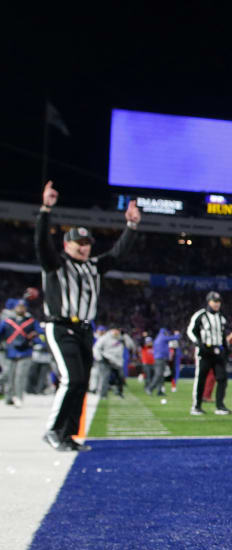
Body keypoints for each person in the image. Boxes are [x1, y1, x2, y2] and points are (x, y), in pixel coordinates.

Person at [35, 181, 140, 451]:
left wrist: (131, 227)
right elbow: (41, 244)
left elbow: (118, 254)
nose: (84, 248)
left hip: (84, 329)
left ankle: (69, 434)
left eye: (87, 243)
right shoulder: (55, 263)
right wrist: (46, 209)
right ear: (66, 244)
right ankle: (52, 431)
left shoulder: (93, 266)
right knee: (72, 378)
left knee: (81, 383)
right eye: (78, 243)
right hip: (60, 327)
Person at [187, 291, 231, 415]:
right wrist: (198, 343)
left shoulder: (221, 317)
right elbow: (190, 331)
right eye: (214, 301)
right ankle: (196, 406)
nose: (217, 304)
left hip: (218, 351)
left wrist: (226, 350)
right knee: (201, 378)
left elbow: (222, 336)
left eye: (219, 302)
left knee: (222, 378)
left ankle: (220, 406)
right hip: (204, 351)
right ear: (209, 302)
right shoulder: (201, 315)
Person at [1, 299, 38, 406]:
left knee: (20, 376)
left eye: (23, 306)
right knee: (8, 375)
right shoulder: (8, 321)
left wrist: (34, 336)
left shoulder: (31, 321)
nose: (20, 308)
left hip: (25, 351)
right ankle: (8, 397)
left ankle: (18, 397)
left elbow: (40, 333)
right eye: (19, 306)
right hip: (9, 351)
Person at [92, 327, 129, 397]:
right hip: (106, 360)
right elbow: (96, 348)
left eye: (118, 330)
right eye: (115, 330)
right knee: (105, 377)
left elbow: (125, 348)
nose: (117, 332)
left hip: (117, 361)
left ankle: (119, 391)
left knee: (121, 376)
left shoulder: (121, 339)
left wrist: (125, 336)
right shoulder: (105, 338)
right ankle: (103, 394)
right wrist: (100, 358)